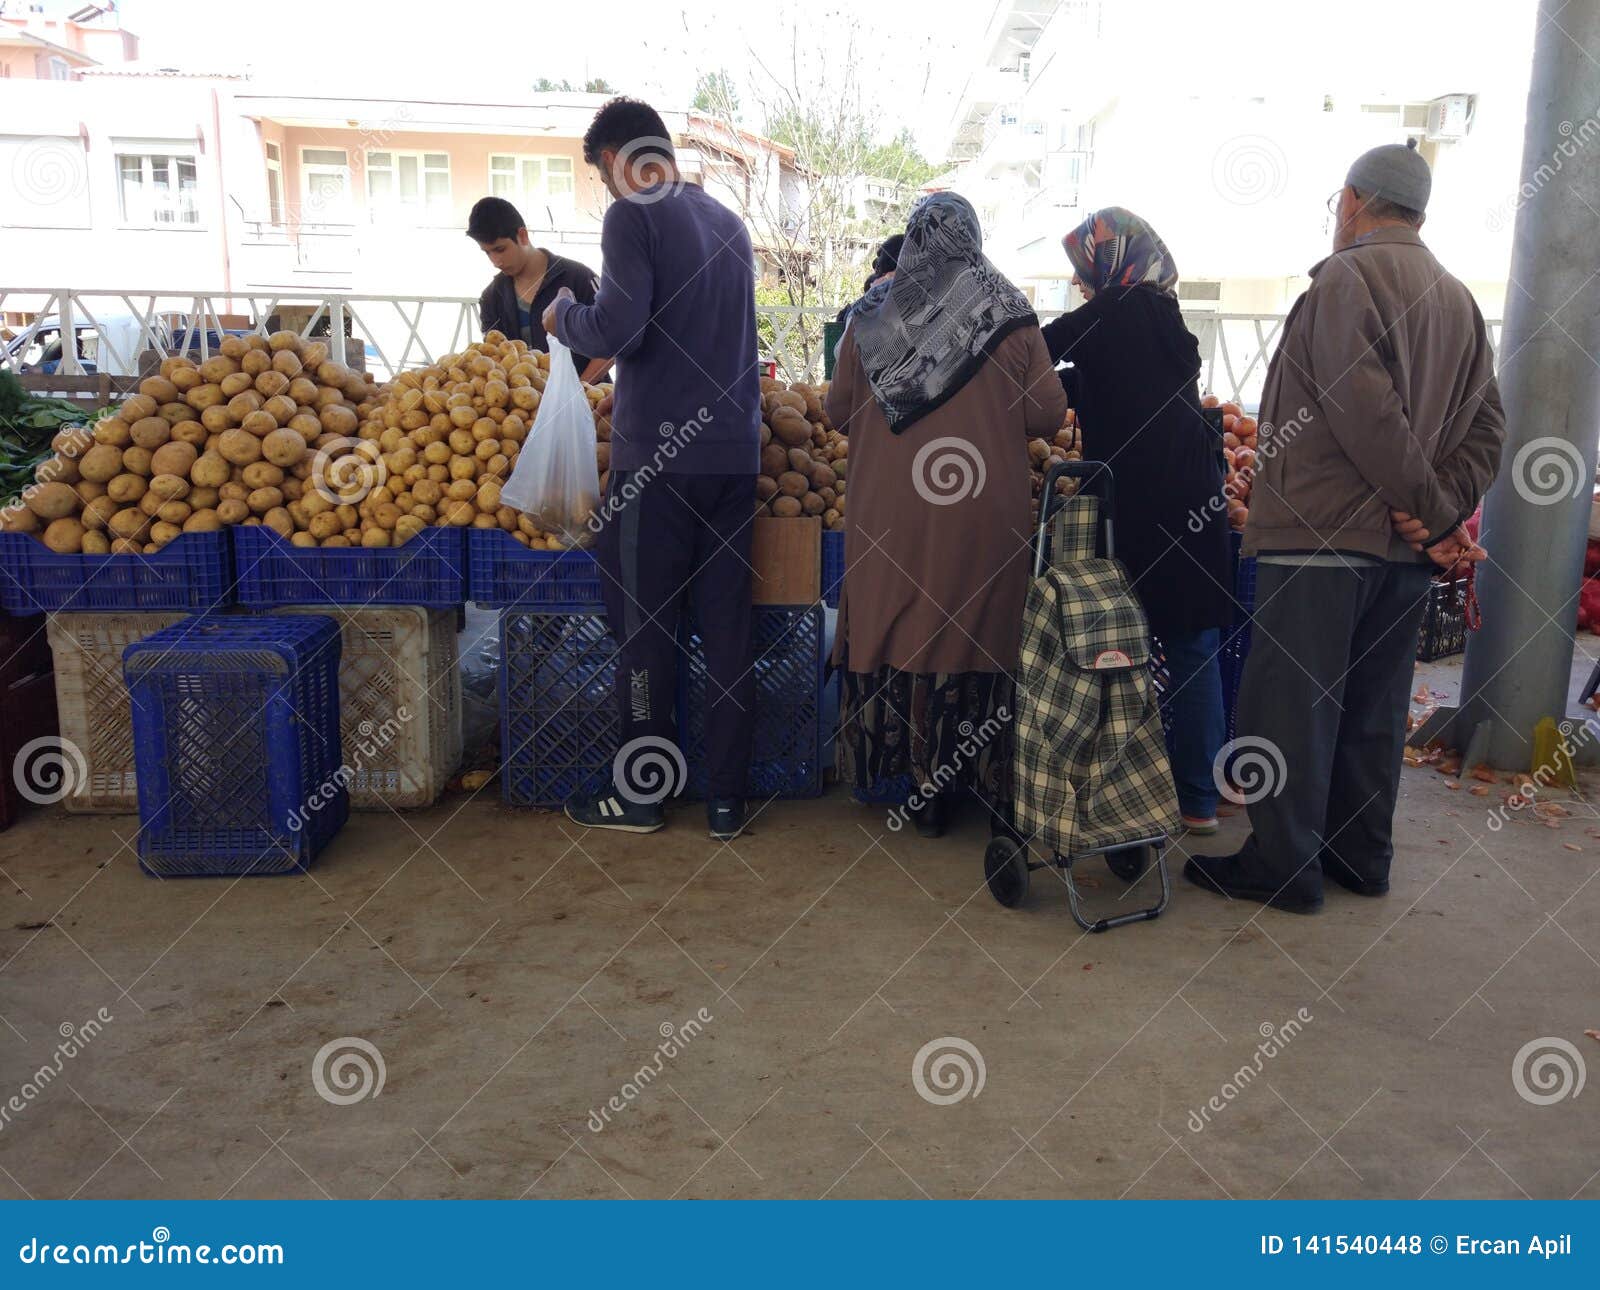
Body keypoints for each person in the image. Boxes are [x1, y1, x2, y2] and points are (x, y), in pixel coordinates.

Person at [1186, 142, 1504, 914]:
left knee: (1291, 707)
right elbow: (1490, 431)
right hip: (1401, 559)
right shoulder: (1459, 298)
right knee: (1371, 708)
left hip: (1322, 537)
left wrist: (1424, 506)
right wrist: (1432, 513)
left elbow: (1365, 415)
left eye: (1339, 201)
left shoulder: (1346, 280)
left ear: (1354, 201)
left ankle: (1284, 866)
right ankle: (1361, 857)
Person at [543, 97, 762, 842]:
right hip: (735, 455)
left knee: (645, 630)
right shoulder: (728, 222)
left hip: (659, 466)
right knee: (728, 629)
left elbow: (618, 327)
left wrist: (562, 316)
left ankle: (641, 794)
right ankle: (727, 802)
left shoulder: (633, 214)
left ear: (613, 159)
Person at [827, 192, 1068, 837]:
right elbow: (1047, 414)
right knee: (972, 624)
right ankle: (969, 774)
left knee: (899, 622)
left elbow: (836, 410)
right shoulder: (1010, 313)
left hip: (888, 510)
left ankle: (910, 779)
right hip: (980, 505)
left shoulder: (870, 314)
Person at [1039, 208, 1234, 835]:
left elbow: (1037, 351)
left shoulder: (1117, 310)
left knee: (1116, 648)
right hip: (1196, 495)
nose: (1081, 285)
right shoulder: (1164, 316)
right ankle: (1199, 800)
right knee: (1193, 647)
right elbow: (1120, 384)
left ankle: (1118, 788)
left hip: (1144, 502)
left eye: (1084, 271)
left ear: (1112, 259)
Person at [465, 196, 608, 380]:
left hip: (589, 403)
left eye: (500, 249)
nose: (495, 261)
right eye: (487, 252)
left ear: (522, 235)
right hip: (527, 406)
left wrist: (579, 390)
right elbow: (495, 357)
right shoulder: (491, 297)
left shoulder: (579, 278)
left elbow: (612, 340)